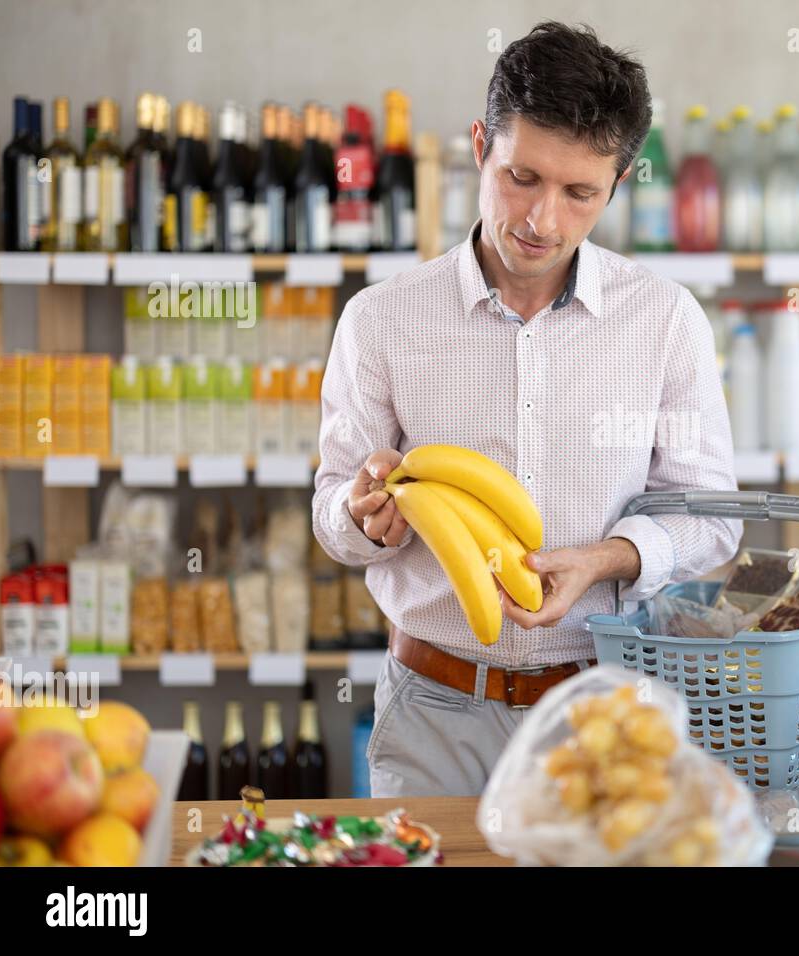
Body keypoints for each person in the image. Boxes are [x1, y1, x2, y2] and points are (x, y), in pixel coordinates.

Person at [311, 21, 740, 797]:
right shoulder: (380, 320)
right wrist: (358, 509)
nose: (543, 220)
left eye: (580, 193)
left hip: (603, 709)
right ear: (481, 146)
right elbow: (333, 519)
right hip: (432, 710)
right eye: (521, 177)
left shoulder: (666, 321)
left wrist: (611, 558)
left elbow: (712, 521)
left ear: (618, 184)